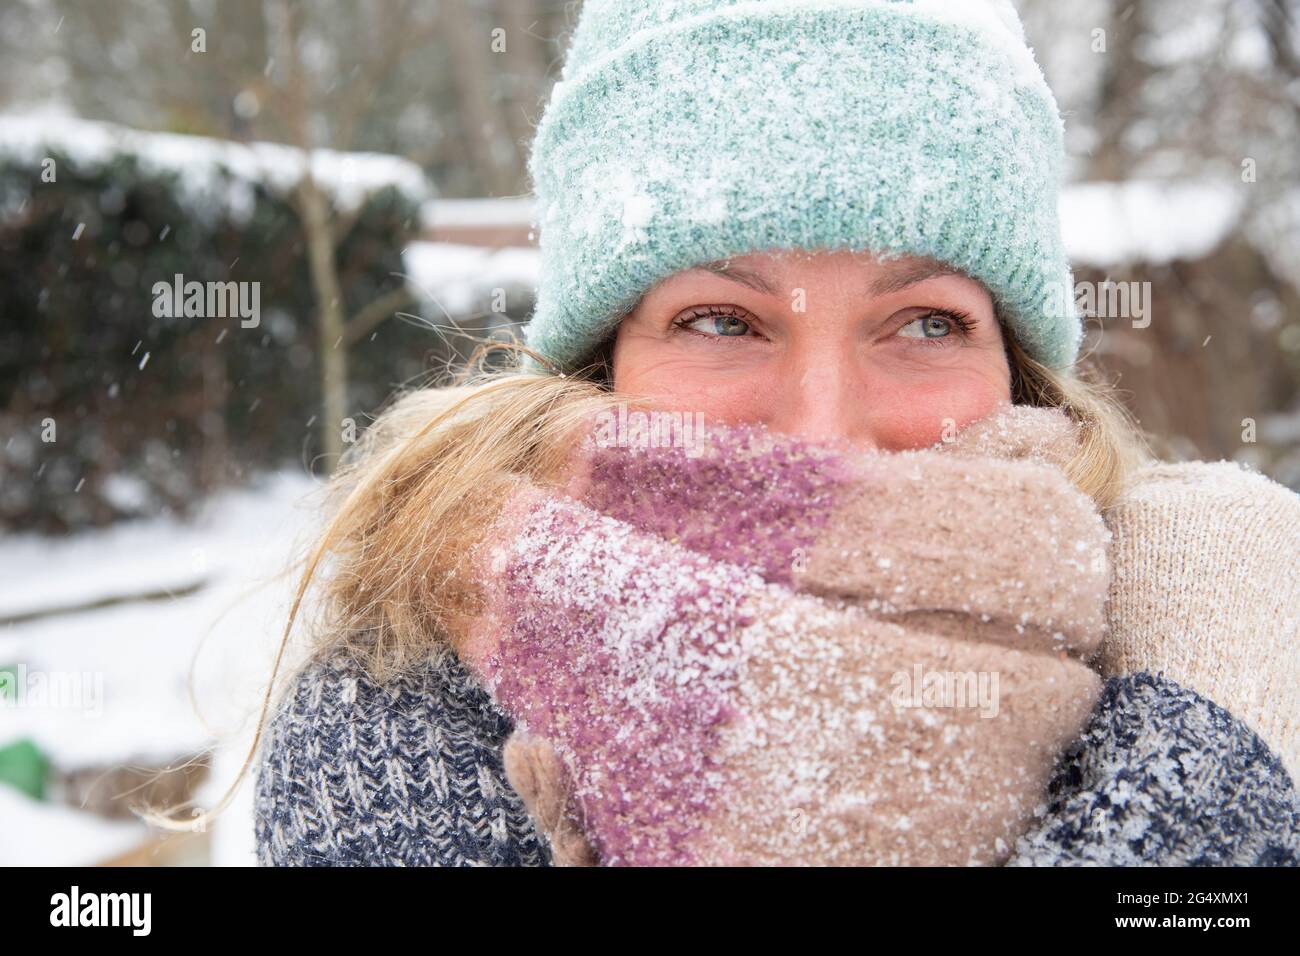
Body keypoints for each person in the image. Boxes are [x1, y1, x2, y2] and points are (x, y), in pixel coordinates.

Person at [246, 0, 1300, 865]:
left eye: (926, 321)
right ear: (596, 362)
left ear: (1018, 372)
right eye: (720, 320)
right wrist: (1207, 778)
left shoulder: (1177, 615)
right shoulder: (407, 721)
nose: (823, 429)